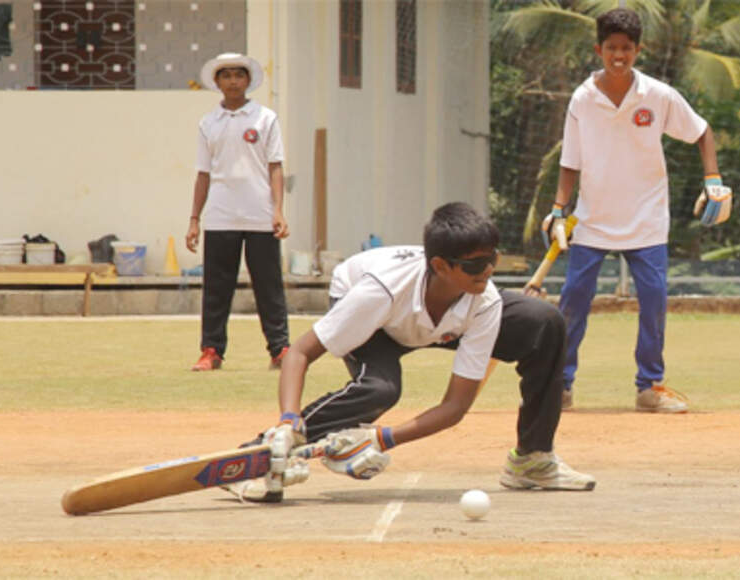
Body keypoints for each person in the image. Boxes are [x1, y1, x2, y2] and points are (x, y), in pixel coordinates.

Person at [227, 202, 595, 503]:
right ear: (440, 265)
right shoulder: (380, 291)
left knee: (543, 322)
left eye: (492, 260)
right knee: (379, 389)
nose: (486, 271)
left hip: (440, 320)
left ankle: (532, 460)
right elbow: (300, 352)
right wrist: (288, 420)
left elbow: (455, 406)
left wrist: (379, 438)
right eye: (473, 265)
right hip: (380, 319)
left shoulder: (483, 299)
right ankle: (259, 454)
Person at [531, 8, 733, 413]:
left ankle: (649, 387)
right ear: (599, 50)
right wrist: (558, 210)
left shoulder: (657, 95)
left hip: (647, 219)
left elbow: (702, 132)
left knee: (654, 302)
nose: (618, 55)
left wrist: (712, 179)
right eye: (611, 48)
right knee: (573, 302)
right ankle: (560, 385)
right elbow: (570, 161)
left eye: (626, 48)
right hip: (593, 219)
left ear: (638, 50)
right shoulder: (583, 99)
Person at [186, 53, 291, 372]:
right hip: (221, 214)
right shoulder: (208, 123)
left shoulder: (265, 118)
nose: (233, 81)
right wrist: (194, 219)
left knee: (268, 285)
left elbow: (275, 166)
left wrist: (278, 210)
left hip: (260, 214)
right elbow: (203, 173)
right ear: (217, 82)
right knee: (216, 288)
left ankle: (280, 349)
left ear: (248, 80)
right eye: (226, 75)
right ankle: (211, 350)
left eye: (239, 75)